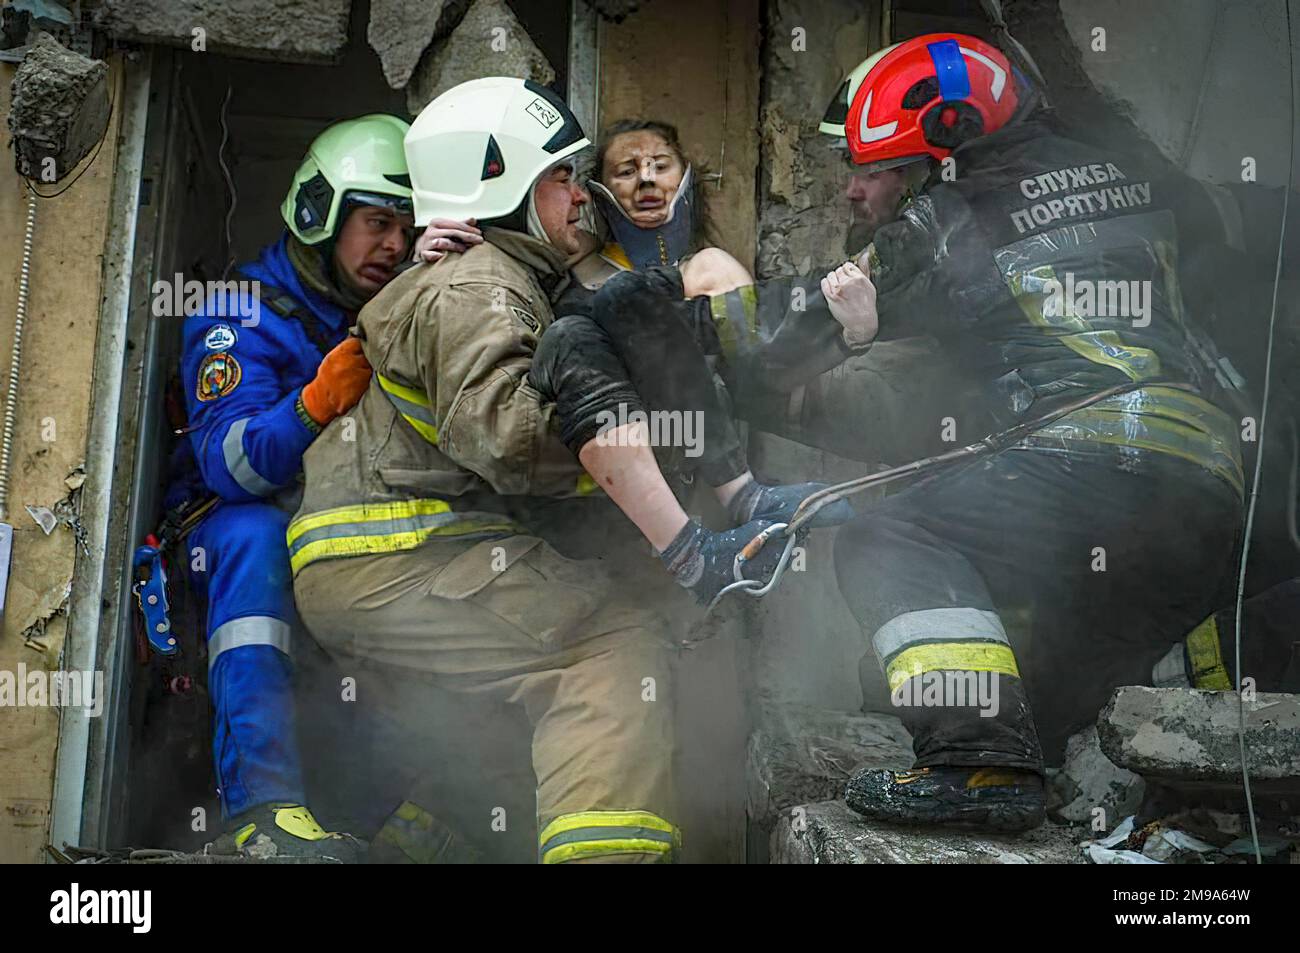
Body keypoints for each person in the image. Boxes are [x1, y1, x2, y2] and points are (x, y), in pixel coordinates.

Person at [289, 77, 761, 862]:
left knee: (508, 712)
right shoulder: (481, 283)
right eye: (561, 176)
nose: (582, 196)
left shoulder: (497, 277)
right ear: (501, 184)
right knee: (609, 645)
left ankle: (407, 851)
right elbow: (510, 439)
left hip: (384, 558)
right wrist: (638, 439)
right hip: (400, 556)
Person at [817, 33, 1244, 830]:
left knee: (887, 538)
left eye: (872, 167)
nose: (853, 191)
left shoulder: (947, 212)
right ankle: (1140, 803)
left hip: (1093, 456)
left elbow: (788, 332)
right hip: (1207, 476)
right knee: (1066, 698)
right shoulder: (1120, 175)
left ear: (937, 156)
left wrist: (644, 333)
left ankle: (972, 760)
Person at [178, 114, 415, 858]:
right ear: (320, 216)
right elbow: (231, 465)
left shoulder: (403, 305)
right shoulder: (236, 312)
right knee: (254, 539)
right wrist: (315, 400)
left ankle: (417, 812)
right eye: (378, 223)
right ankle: (263, 815)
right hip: (230, 532)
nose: (396, 247)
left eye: (407, 229)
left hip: (347, 527)